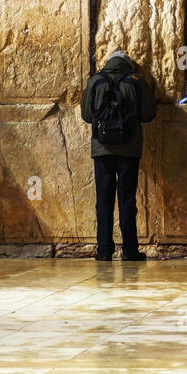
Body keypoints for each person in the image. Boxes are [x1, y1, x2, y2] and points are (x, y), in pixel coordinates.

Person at [80, 50, 156, 262]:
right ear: (127, 63)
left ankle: (104, 250)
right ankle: (130, 249)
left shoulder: (95, 81)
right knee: (127, 199)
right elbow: (149, 114)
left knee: (103, 200)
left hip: (102, 149)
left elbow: (86, 115)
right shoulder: (136, 81)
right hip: (129, 150)